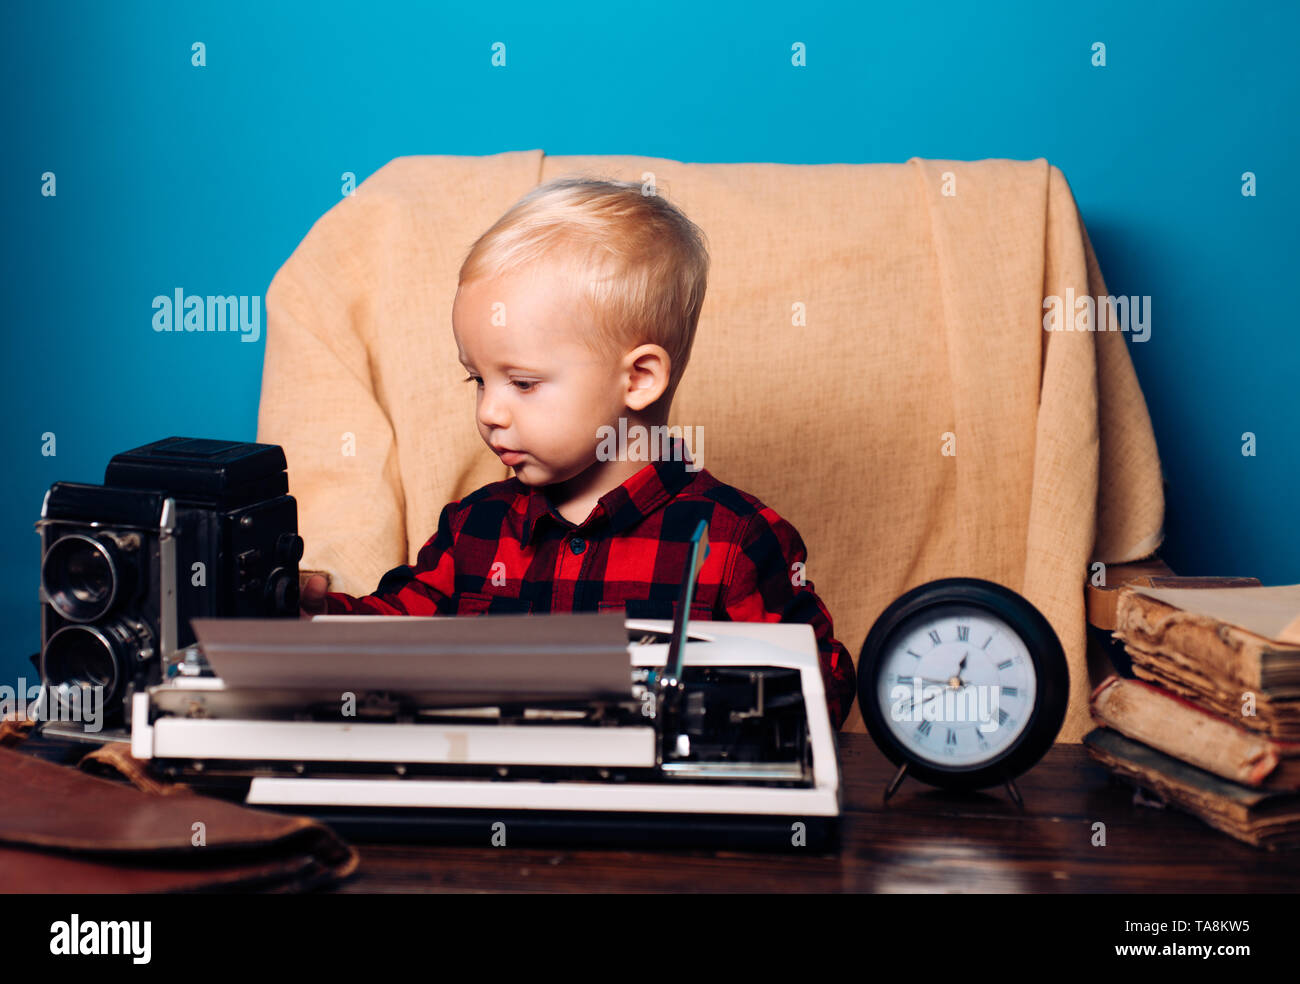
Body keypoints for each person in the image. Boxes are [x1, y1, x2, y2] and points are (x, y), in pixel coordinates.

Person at [299, 177, 857, 729]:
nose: (490, 411)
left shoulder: (733, 541)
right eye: (477, 380)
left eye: (522, 383)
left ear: (638, 379)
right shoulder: (473, 529)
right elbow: (389, 632)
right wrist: (315, 615)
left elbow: (821, 689)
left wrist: (704, 699)